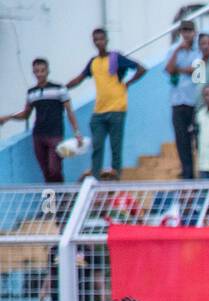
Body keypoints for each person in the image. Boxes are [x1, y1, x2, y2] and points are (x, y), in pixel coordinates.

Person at [66, 28, 145, 179]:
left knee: (116, 147)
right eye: (96, 40)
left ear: (107, 40)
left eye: (101, 39)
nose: (99, 42)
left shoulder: (115, 58)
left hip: (117, 109)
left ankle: (116, 179)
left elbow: (141, 68)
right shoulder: (93, 62)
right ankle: (95, 179)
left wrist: (128, 83)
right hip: (99, 111)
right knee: (97, 146)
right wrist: (63, 87)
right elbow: (80, 78)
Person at [1, 59, 82, 184]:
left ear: (48, 71)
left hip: (55, 135)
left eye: (42, 71)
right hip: (38, 136)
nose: (40, 74)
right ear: (33, 72)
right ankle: (51, 202)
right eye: (37, 71)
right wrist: (8, 117)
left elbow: (69, 111)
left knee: (54, 169)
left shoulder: (59, 89)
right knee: (46, 172)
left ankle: (63, 197)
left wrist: (77, 132)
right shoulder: (31, 92)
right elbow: (25, 114)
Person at [165, 20, 200, 180]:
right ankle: (187, 175)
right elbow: (169, 69)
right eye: (184, 30)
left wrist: (179, 70)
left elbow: (198, 74)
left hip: (194, 103)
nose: (186, 34)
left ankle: (201, 172)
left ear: (195, 32)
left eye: (189, 30)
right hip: (178, 103)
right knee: (181, 141)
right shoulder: (174, 49)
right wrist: (178, 50)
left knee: (198, 140)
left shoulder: (198, 51)